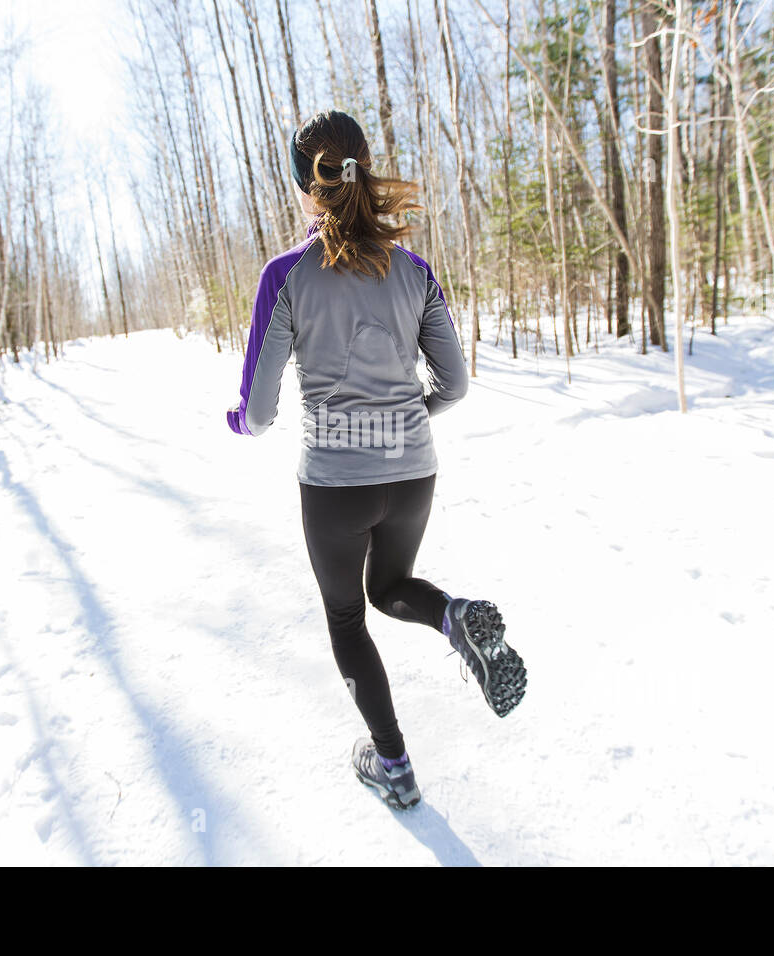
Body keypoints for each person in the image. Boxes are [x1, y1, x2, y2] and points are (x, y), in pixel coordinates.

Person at [226, 110, 526, 810]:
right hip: (413, 470)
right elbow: (452, 384)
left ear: (304, 186)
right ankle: (454, 618)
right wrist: (403, 421)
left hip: (336, 484)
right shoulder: (415, 269)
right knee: (391, 586)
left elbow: (262, 411)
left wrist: (240, 421)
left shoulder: (286, 275)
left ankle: (393, 765)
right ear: (364, 169)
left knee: (346, 619)